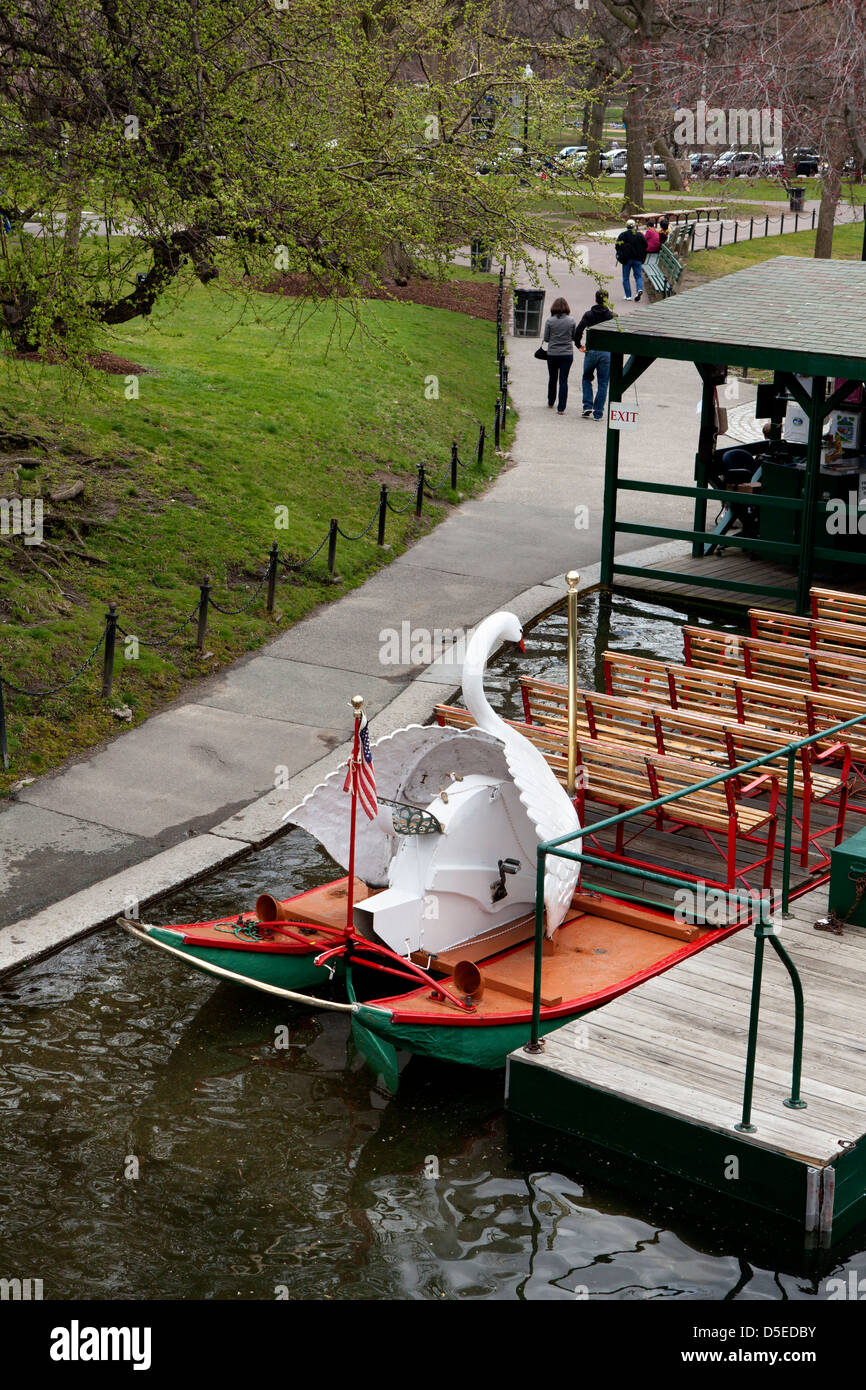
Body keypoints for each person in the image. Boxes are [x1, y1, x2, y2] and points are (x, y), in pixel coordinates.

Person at [574, 289, 614, 420]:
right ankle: (598, 412)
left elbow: (578, 331)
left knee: (587, 378)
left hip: (591, 351)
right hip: (606, 352)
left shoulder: (589, 315)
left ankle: (587, 405)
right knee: (603, 382)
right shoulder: (612, 316)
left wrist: (579, 345)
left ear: (595, 299)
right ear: (607, 300)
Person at [541, 296, 577, 414]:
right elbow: (573, 337)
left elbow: (546, 338)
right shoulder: (571, 320)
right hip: (567, 353)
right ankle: (561, 408)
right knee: (563, 380)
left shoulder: (550, 321)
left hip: (552, 353)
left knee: (552, 378)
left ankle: (551, 401)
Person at [614, 219, 647, 302]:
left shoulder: (622, 235)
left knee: (626, 277)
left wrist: (620, 253)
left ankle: (628, 295)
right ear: (634, 226)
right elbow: (646, 245)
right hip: (638, 259)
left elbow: (617, 246)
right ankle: (639, 289)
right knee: (638, 276)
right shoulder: (639, 235)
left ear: (627, 226)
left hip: (626, 260)